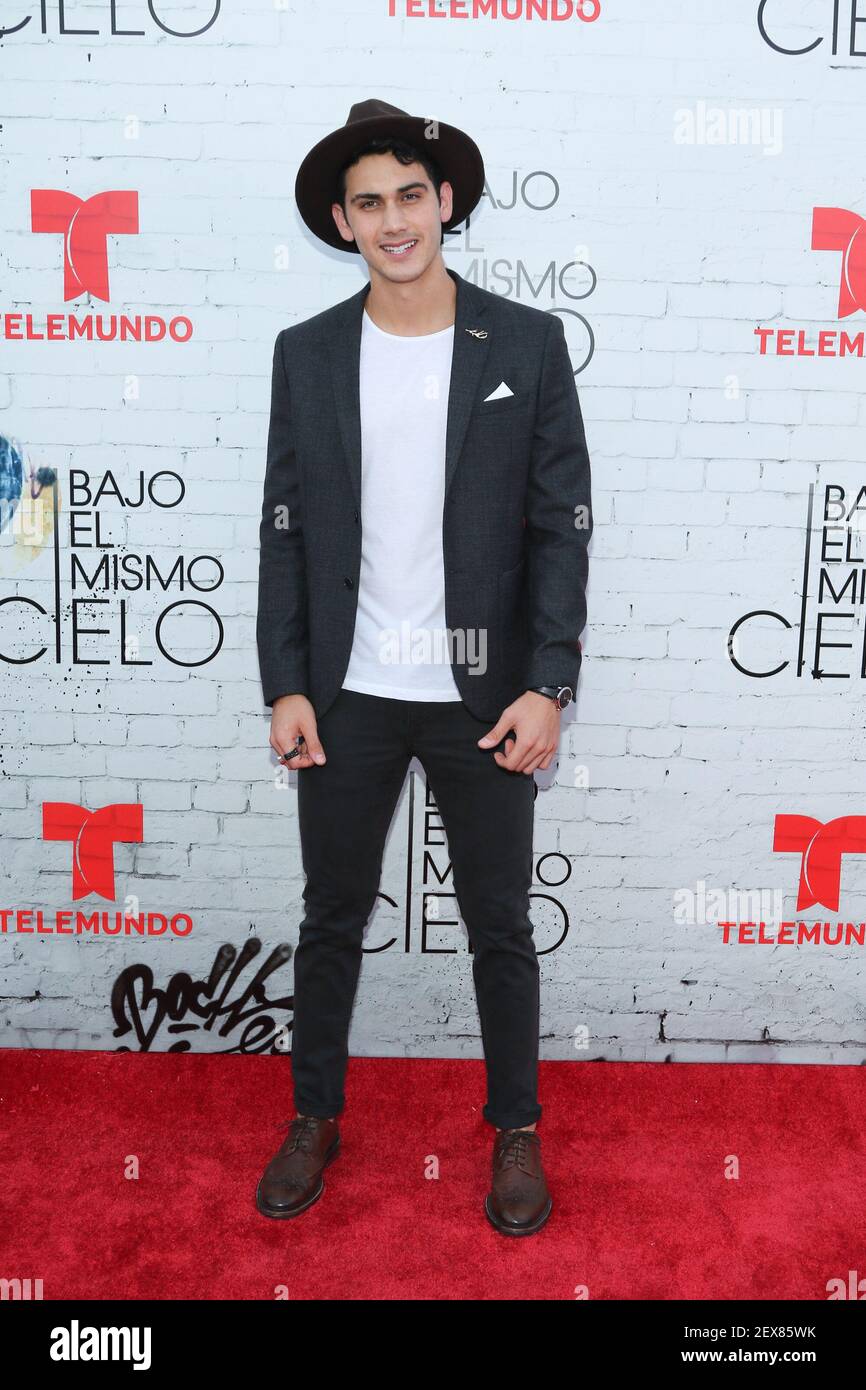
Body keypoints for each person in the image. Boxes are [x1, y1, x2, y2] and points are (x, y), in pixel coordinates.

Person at [255, 99, 592, 1235]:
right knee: (330, 916)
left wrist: (548, 683)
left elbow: (558, 526)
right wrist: (286, 682)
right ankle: (313, 1114)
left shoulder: (525, 342)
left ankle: (513, 1130)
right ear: (341, 223)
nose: (393, 220)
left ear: (443, 202)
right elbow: (284, 528)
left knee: (498, 918)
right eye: (368, 203)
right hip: (348, 692)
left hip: (481, 692)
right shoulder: (304, 353)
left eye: (410, 194)